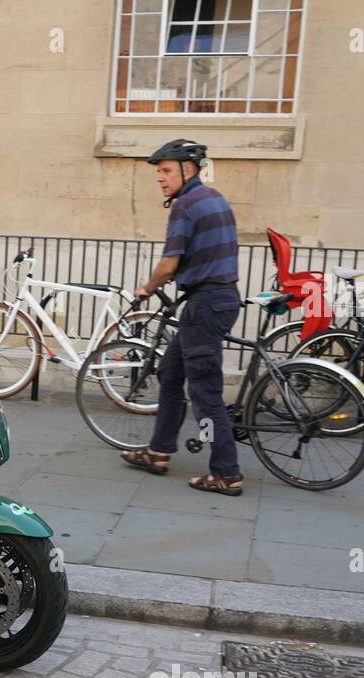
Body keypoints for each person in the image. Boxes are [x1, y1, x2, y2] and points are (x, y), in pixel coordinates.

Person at [123, 139, 244, 495]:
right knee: (171, 372)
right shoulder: (213, 197)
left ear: (186, 170)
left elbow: (169, 263)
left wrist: (146, 287)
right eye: (158, 172)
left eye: (165, 170)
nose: (160, 178)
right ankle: (159, 451)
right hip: (215, 300)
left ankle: (227, 472)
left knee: (205, 390)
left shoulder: (186, 204)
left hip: (206, 303)